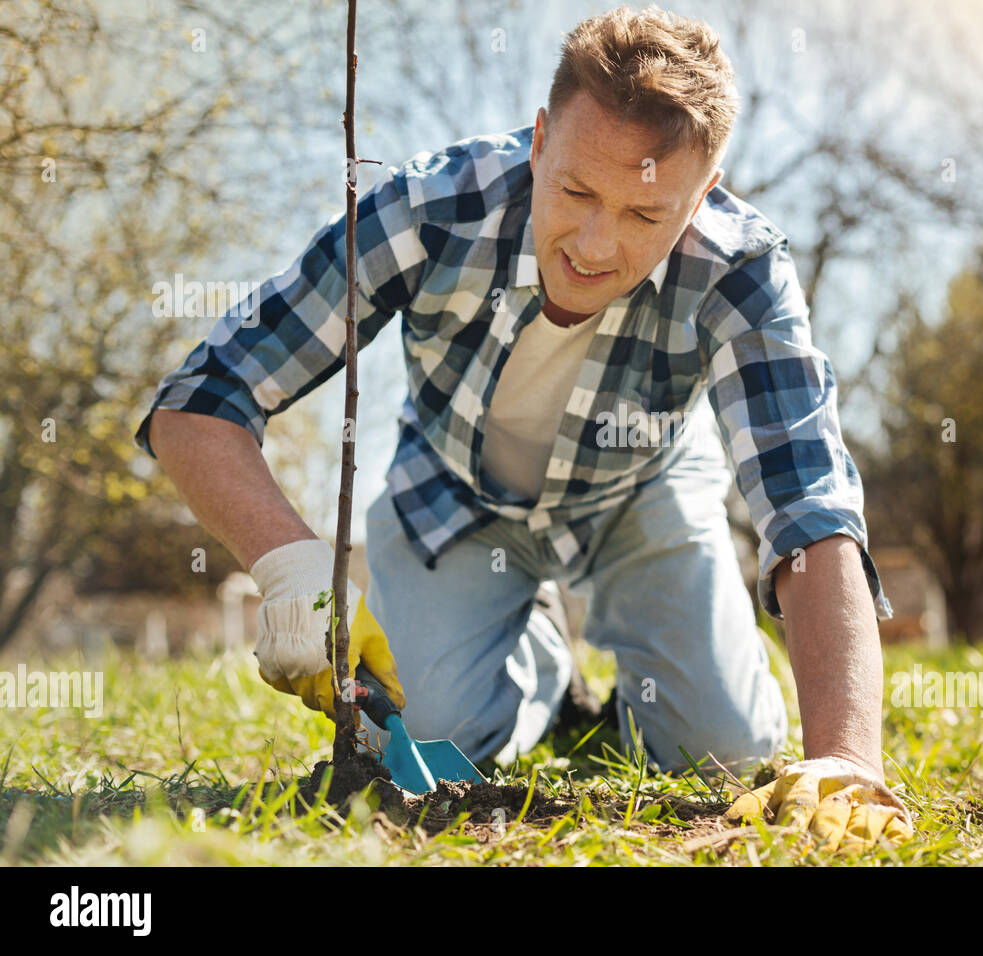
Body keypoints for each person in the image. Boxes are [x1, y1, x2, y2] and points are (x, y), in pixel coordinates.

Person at [136, 4, 912, 854]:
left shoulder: (742, 271)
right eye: (576, 190)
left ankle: (640, 700)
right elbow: (200, 400)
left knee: (721, 752)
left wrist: (844, 755)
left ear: (707, 191)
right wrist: (289, 566)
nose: (592, 243)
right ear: (539, 140)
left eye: (645, 215)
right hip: (454, 498)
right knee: (418, 742)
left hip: (642, 490)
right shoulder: (428, 209)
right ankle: (540, 663)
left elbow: (810, 507)